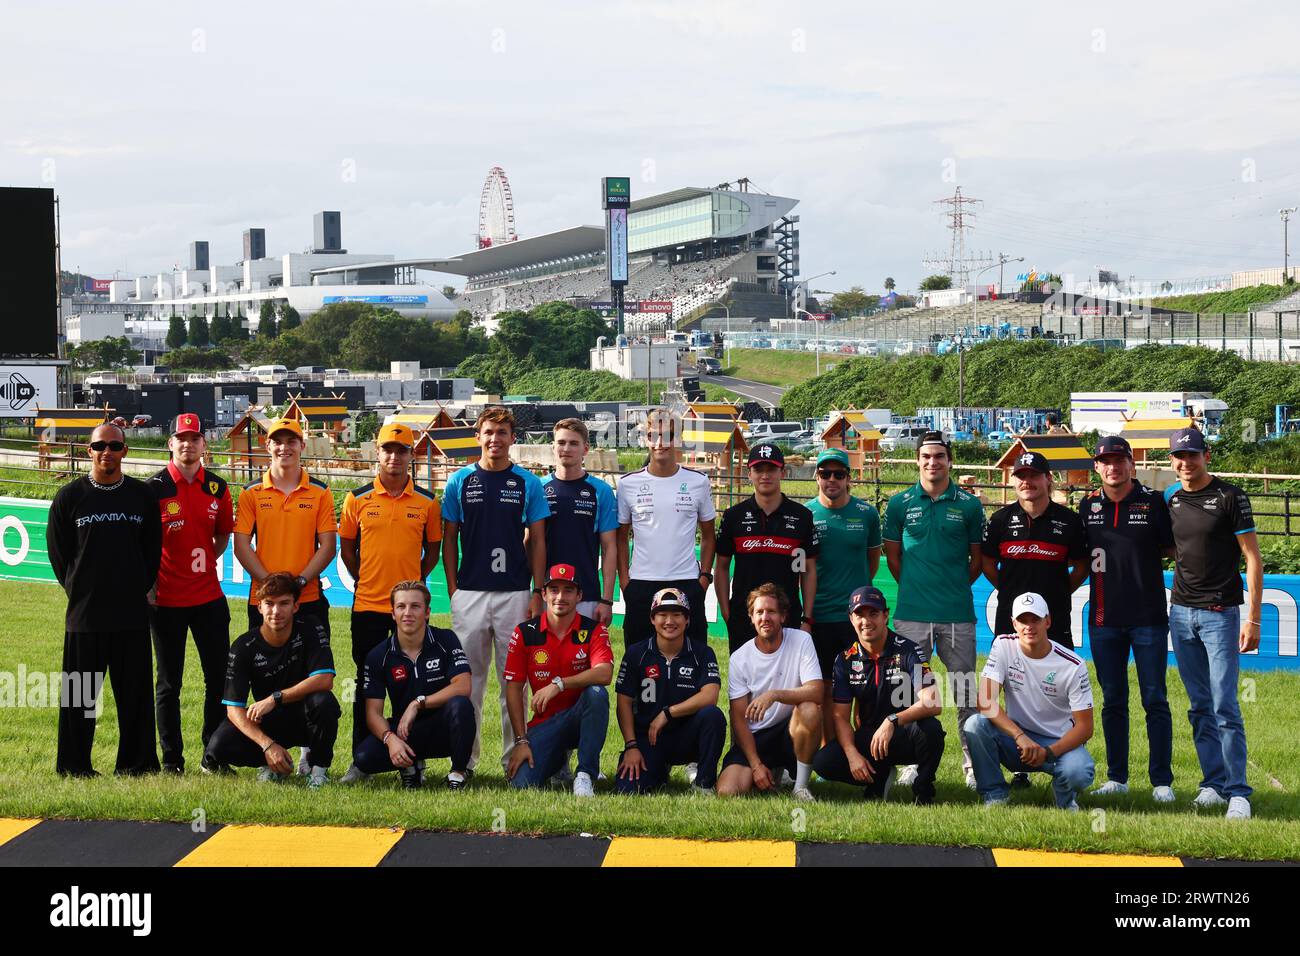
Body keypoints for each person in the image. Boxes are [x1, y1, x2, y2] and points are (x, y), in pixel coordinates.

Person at [47, 422, 163, 776]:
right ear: (89, 451)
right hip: (85, 617)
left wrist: (134, 587)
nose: (107, 452)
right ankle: (74, 766)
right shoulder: (69, 497)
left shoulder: (142, 497)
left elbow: (152, 552)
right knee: (79, 699)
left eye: (114, 446)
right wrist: (80, 589)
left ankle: (137, 765)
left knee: (135, 698)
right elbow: (59, 555)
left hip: (130, 614)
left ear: (125, 451)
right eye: (100, 446)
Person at [441, 406, 550, 775]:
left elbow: (537, 539)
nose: (495, 439)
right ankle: (465, 761)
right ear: (478, 437)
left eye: (502, 433)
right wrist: (454, 588)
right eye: (489, 432)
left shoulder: (527, 483)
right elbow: (449, 538)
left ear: (512, 439)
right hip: (470, 593)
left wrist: (537, 590)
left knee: (513, 683)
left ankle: (513, 759)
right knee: (468, 682)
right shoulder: (459, 481)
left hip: (514, 593)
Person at [1165, 427, 1262, 819]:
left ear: (1206, 455)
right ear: (1171, 461)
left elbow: (1252, 558)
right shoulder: (1170, 498)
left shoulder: (1230, 496)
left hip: (1221, 613)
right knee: (1199, 705)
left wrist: (1253, 618)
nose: (1185, 462)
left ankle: (1239, 792)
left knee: (1224, 704)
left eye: (1192, 455)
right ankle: (1213, 783)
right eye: (1178, 456)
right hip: (1181, 612)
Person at [336, 422, 441, 781]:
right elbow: (348, 549)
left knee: (412, 685)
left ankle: (413, 759)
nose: (394, 457)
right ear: (377, 453)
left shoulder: (428, 502)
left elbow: (433, 551)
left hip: (408, 611)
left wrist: (414, 586)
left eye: (402, 450)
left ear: (412, 456)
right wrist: (364, 577)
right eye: (388, 450)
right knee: (367, 685)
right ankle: (361, 762)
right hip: (367, 607)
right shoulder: (357, 498)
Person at [883, 430, 985, 789]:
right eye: (926, 456)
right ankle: (910, 761)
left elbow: (976, 562)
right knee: (906, 693)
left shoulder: (970, 505)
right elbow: (894, 559)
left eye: (939, 456)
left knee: (965, 693)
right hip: (912, 614)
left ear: (949, 461)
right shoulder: (898, 504)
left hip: (957, 615)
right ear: (917, 460)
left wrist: (952, 587)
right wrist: (915, 586)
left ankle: (973, 768)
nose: (932, 462)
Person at [1079, 435, 1176, 803]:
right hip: (1104, 620)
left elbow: (1171, 548)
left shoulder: (1153, 502)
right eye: (1106, 461)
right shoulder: (1087, 506)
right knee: (1113, 699)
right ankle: (1117, 777)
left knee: (1155, 698)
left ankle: (1161, 781)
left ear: (1131, 465)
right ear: (1097, 468)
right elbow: (1078, 556)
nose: (1113, 467)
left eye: (1120, 460)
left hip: (1149, 618)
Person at [146, 413, 235, 774]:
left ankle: (212, 756)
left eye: (194, 438)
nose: (188, 444)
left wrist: (202, 561)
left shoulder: (217, 487)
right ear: (171, 444)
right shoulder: (152, 489)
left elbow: (223, 535)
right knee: (169, 682)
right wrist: (150, 585)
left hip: (208, 599)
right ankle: (171, 760)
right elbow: (142, 544)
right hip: (166, 601)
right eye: (181, 438)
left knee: (218, 679)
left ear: (203, 445)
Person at [204, 573, 340, 788]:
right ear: (259, 607)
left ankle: (318, 771)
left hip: (304, 716)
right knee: (219, 745)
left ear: (295, 606)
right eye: (269, 604)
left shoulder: (311, 627)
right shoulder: (243, 647)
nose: (276, 611)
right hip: (268, 722)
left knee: (324, 702)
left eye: (284, 603)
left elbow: (325, 679)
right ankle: (271, 763)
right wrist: (267, 745)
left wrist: (275, 698)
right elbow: (233, 709)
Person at [812, 586, 945, 804]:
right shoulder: (844, 660)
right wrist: (852, 754)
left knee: (931, 729)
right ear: (851, 618)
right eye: (859, 615)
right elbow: (839, 717)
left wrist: (892, 720)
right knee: (824, 762)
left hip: (904, 733)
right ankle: (878, 777)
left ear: (885, 616)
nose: (866, 621)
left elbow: (933, 702)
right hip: (869, 738)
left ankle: (923, 789)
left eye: (873, 613)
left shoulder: (909, 650)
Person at [965, 592, 1095, 809]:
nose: (1029, 626)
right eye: (1023, 620)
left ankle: (1064, 799)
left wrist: (1049, 752)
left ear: (1048, 621)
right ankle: (995, 795)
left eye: (1035, 619)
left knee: (1078, 772)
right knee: (975, 724)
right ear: (1014, 624)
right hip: (1017, 741)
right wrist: (1020, 736)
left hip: (1057, 743)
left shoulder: (1074, 665)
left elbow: (1085, 727)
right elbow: (985, 701)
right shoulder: (1003, 645)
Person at [504, 564, 614, 796]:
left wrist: (559, 684)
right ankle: (558, 761)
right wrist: (521, 741)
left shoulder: (593, 630)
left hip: (580, 717)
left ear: (579, 595)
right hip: (545, 724)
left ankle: (585, 775)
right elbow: (513, 689)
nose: (560, 597)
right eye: (554, 589)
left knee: (596, 693)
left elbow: (604, 673)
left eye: (568, 590)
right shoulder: (525, 632)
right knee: (521, 785)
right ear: (543, 594)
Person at [353, 580, 474, 790]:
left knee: (460, 705)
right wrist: (390, 739)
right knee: (364, 757)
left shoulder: (445, 639)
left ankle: (458, 773)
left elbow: (463, 685)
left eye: (415, 606)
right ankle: (411, 766)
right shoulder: (378, 655)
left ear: (427, 612)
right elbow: (373, 713)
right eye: (401, 607)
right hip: (405, 730)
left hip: (443, 729)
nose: (407, 613)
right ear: (393, 613)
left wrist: (418, 703)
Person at [617, 408, 716, 648]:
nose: (660, 442)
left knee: (692, 660)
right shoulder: (627, 484)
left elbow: (709, 536)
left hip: (686, 582)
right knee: (638, 661)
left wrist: (703, 578)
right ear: (645, 439)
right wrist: (625, 581)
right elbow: (620, 538)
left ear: (678, 438)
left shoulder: (698, 482)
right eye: (653, 435)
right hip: (640, 584)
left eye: (668, 435)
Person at [717, 584, 823, 800]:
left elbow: (817, 691)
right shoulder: (740, 658)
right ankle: (769, 769)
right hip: (756, 737)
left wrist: (774, 694)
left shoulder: (801, 640)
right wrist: (755, 765)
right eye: (759, 612)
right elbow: (738, 719)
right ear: (751, 618)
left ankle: (801, 787)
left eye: (771, 611)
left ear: (783, 616)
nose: (765, 617)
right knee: (728, 792)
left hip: (789, 734)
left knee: (810, 709)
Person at [233, 417, 337, 636]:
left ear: (302, 445)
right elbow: (241, 545)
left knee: (313, 668)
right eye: (277, 441)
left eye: (291, 441)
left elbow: (327, 546)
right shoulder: (251, 492)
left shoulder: (321, 492)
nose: (284, 447)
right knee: (265, 668)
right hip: (264, 599)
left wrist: (299, 582)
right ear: (268, 445)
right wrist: (270, 585)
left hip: (307, 596)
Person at [615, 587, 725, 794]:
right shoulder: (635, 653)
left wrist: (668, 713)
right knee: (628, 790)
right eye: (662, 615)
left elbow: (710, 696)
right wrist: (631, 746)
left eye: (676, 615)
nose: (669, 621)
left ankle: (704, 783)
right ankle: (658, 771)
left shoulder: (702, 653)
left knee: (713, 716)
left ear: (687, 620)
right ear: (652, 619)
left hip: (687, 735)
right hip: (649, 737)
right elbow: (623, 702)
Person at [805, 447, 881, 742]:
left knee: (863, 688)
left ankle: (863, 747)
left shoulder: (866, 514)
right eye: (825, 474)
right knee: (825, 689)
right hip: (820, 616)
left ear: (849, 478)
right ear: (817, 477)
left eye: (839, 474)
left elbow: (872, 561)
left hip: (857, 619)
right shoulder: (807, 513)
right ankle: (829, 752)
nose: (832, 479)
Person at [714, 442, 820, 653]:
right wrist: (727, 614)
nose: (765, 475)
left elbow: (808, 570)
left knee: (787, 684)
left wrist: (807, 618)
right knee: (744, 686)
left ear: (782, 471)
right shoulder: (733, 516)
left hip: (786, 618)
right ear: (748, 473)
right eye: (758, 469)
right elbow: (722, 567)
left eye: (771, 469)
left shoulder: (801, 516)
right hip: (744, 619)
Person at [982, 451, 1088, 647]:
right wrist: (1008, 588)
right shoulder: (999, 520)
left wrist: (1060, 591)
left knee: (1056, 675)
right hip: (1011, 613)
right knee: (1007, 675)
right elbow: (987, 563)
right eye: (1021, 476)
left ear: (1048, 478)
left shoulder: (1070, 520)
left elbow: (1082, 566)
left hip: (1054, 614)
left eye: (1034, 475)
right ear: (1014, 481)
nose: (1026, 482)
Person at [541, 418, 618, 624]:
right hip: (545, 594)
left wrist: (607, 600)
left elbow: (609, 548)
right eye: (561, 442)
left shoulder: (600, 491)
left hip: (587, 596)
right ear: (553, 446)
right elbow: (528, 542)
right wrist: (534, 591)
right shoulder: (537, 488)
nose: (566, 448)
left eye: (574, 443)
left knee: (582, 656)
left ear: (585, 449)